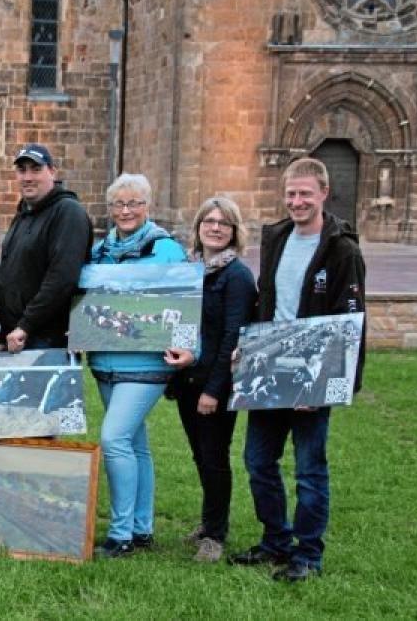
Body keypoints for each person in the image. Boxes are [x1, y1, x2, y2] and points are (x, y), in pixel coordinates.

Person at [228, 157, 366, 582]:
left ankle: (307, 554)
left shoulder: (342, 250)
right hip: (270, 366)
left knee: (309, 469)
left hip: (313, 371)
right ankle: (275, 541)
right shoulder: (278, 239)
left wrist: (321, 386)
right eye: (291, 193)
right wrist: (246, 347)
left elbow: (350, 320)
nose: (297, 201)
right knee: (258, 461)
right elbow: (266, 301)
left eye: (305, 193)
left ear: (324, 193)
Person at [88, 173, 189, 558]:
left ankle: (121, 535)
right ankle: (142, 527)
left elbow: (185, 303)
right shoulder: (99, 251)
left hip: (147, 362)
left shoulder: (166, 250)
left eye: (134, 203)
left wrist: (188, 347)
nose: (126, 210)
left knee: (114, 439)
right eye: (119, 203)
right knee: (134, 443)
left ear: (148, 206)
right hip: (105, 360)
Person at [163, 197, 257, 562]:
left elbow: (234, 337)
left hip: (215, 385)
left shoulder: (237, 276)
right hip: (188, 379)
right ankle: (208, 522)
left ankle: (215, 535)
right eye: (209, 221)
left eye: (223, 223)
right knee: (200, 455)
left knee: (215, 457)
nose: (215, 228)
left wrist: (214, 390)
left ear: (234, 231)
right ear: (198, 226)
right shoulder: (190, 270)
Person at [0, 143, 93, 352]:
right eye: (22, 170)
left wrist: (26, 325)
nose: (28, 177)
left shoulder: (68, 212)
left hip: (45, 340)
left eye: (36, 169)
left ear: (52, 171)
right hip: (16, 337)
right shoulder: (23, 214)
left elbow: (62, 278)